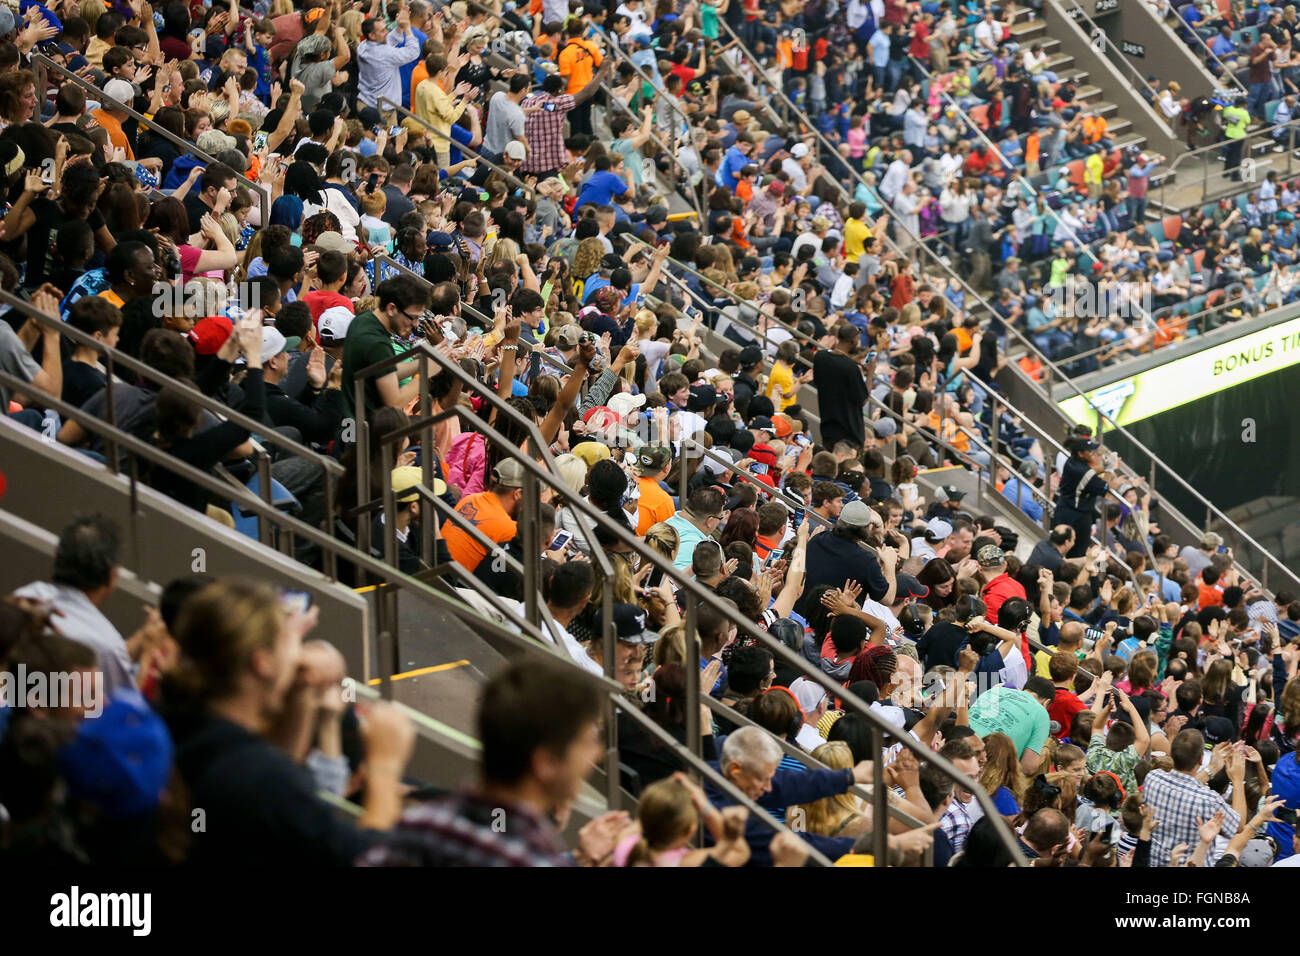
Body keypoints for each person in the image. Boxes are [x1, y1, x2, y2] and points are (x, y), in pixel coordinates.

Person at [359, 659, 630, 866]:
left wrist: (575, 856)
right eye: (586, 743)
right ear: (545, 763)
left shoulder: (418, 825)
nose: (596, 754)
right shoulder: (530, 856)